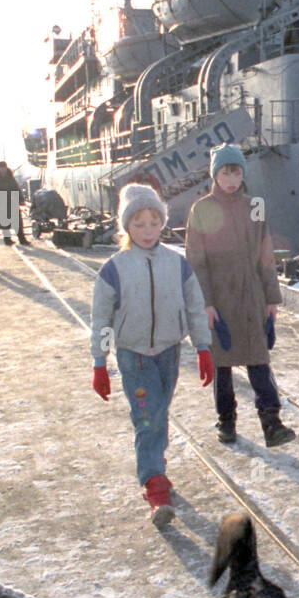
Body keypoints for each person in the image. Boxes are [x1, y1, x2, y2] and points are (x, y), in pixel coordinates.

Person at [90, 184, 214, 525]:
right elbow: (101, 318)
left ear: (163, 223)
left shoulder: (178, 264)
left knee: (158, 413)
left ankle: (154, 469)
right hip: (134, 355)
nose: (147, 231)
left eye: (154, 222)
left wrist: (202, 347)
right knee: (149, 417)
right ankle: (155, 486)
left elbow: (194, 307)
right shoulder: (114, 269)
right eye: (139, 223)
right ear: (126, 227)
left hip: (169, 352)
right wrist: (99, 363)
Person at [185, 144, 296, 447]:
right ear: (215, 174)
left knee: (259, 361)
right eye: (225, 172)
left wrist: (271, 298)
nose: (231, 178)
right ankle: (226, 421)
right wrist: (204, 303)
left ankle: (271, 423)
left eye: (236, 171)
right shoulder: (202, 209)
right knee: (222, 366)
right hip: (219, 298)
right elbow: (196, 260)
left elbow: (265, 254)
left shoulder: (255, 205)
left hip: (252, 297)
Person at [0, 161, 29, 245]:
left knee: (18, 222)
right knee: (5, 223)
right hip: (1, 203)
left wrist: (21, 199)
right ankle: (7, 239)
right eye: (1, 168)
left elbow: (16, 188)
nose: (3, 169)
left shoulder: (10, 177)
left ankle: (22, 239)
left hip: (13, 202)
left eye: (4, 167)